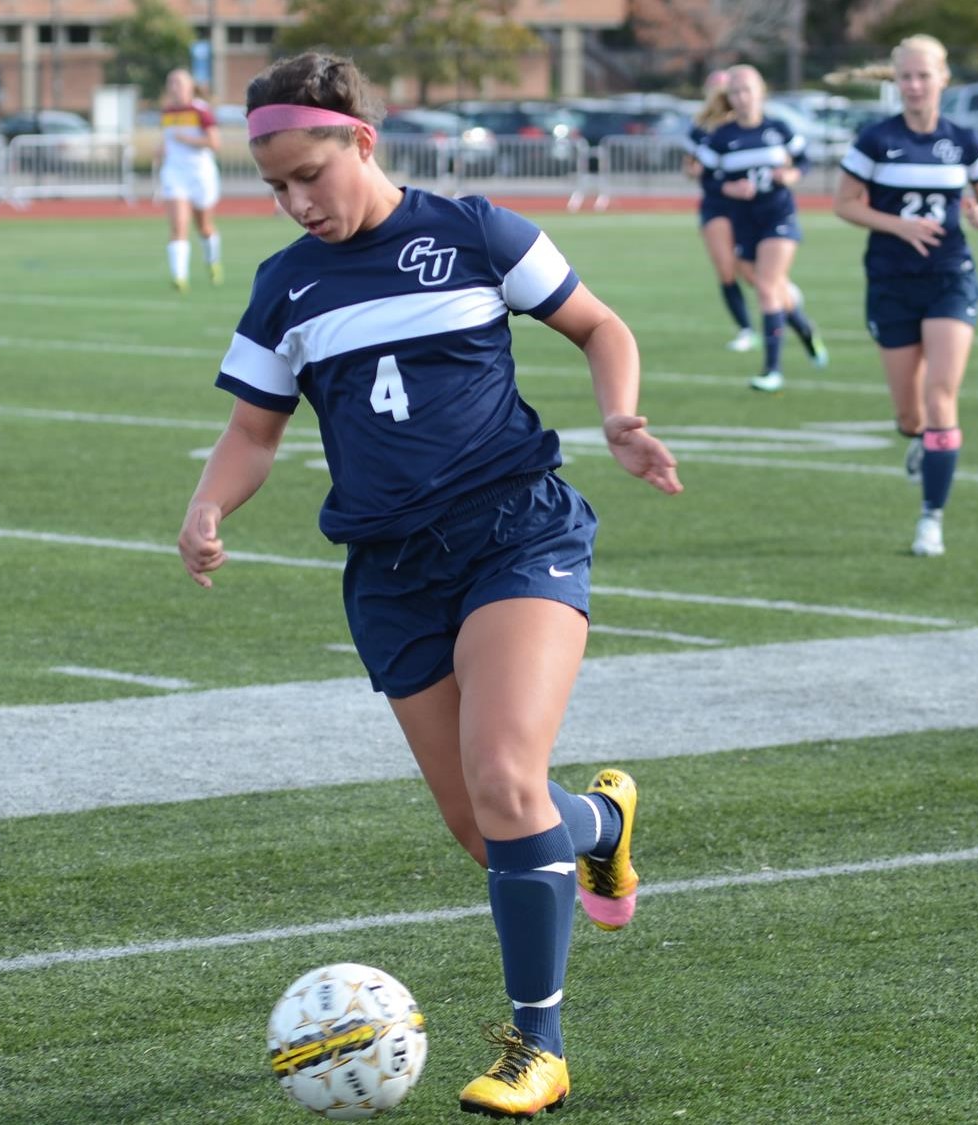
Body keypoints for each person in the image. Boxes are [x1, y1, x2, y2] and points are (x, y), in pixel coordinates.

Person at [177, 52, 681, 1119]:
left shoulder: (474, 233)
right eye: (273, 187)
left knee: (504, 782)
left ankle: (532, 1049)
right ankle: (597, 824)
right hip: (390, 576)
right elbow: (252, 430)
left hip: (514, 535)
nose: (295, 201)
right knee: (486, 826)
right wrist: (210, 505)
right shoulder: (285, 286)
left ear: (363, 141)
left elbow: (600, 325)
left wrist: (619, 415)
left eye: (309, 173)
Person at [834, 34, 978, 557]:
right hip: (890, 281)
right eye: (905, 76)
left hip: (951, 277)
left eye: (923, 75)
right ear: (895, 81)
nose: (913, 85)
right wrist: (898, 227)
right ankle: (920, 443)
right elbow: (844, 204)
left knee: (942, 396)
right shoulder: (875, 139)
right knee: (911, 415)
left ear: (943, 79)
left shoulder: (964, 141)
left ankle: (931, 519)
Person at [698, 65, 828, 393]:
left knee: (768, 287)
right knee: (764, 284)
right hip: (744, 221)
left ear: (761, 93)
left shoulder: (779, 129)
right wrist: (729, 189)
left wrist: (792, 176)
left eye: (748, 90)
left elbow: (805, 160)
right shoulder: (721, 137)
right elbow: (707, 179)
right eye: (736, 92)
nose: (742, 98)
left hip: (778, 216)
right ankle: (804, 328)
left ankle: (772, 370)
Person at [686, 70, 755, 353]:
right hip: (716, 204)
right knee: (726, 269)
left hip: (747, 206)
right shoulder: (701, 128)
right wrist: (702, 168)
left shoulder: (743, 124)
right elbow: (689, 167)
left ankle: (792, 314)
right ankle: (746, 329)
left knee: (753, 272)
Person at [157, 68, 224, 292]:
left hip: (200, 174)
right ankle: (179, 277)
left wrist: (186, 139)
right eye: (171, 82)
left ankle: (212, 261)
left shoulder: (201, 111)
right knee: (178, 226)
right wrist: (161, 151)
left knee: (204, 226)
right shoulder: (166, 112)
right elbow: (167, 141)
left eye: (179, 82)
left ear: (189, 87)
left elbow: (214, 143)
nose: (174, 87)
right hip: (175, 173)